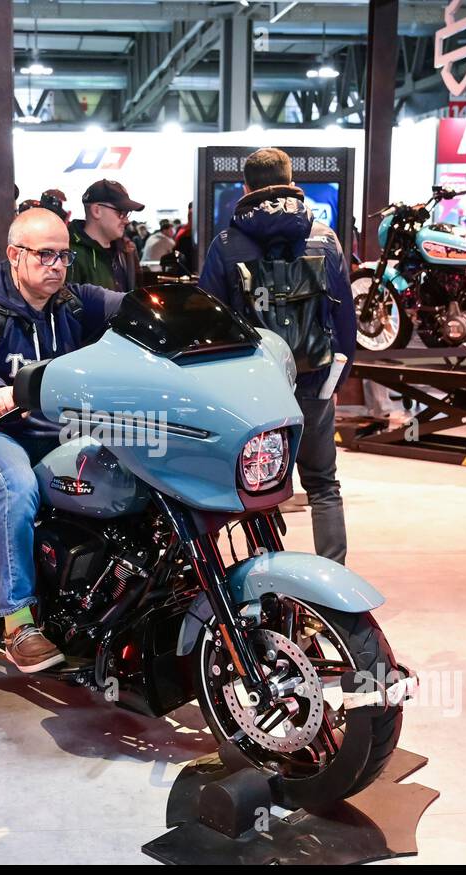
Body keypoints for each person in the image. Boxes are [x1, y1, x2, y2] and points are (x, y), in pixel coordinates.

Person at [0, 208, 124, 672]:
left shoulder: (74, 302)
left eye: (64, 256)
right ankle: (18, 622)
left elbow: (135, 306)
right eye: (45, 255)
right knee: (14, 487)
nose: (57, 265)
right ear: (14, 255)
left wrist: (187, 309)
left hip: (53, 431)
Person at [198, 147, 357, 564]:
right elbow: (345, 322)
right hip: (314, 381)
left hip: (252, 393)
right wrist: (334, 382)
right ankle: (331, 586)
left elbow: (209, 327)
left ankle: (265, 583)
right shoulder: (324, 238)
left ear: (245, 187)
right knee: (324, 485)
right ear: (292, 184)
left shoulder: (227, 244)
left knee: (256, 489)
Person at [66, 179, 143, 292]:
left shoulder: (126, 250)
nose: (127, 220)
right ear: (96, 210)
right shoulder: (69, 255)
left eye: (127, 213)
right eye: (121, 212)